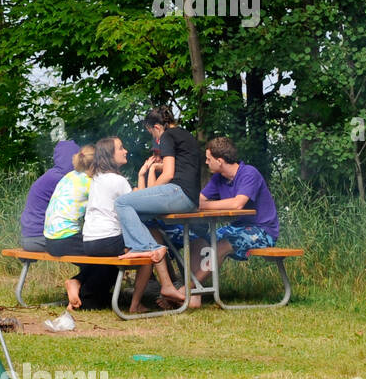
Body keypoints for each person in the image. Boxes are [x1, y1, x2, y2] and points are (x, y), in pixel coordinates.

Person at [112, 106, 197, 306]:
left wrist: (143, 194)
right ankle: (166, 281)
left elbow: (168, 174)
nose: (155, 139)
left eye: (152, 133)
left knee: (123, 202)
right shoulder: (186, 135)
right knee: (139, 217)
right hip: (190, 197)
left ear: (157, 127)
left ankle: (146, 249)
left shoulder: (167, 136)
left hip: (178, 192)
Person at [181, 136, 281, 307]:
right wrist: (200, 203)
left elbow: (237, 204)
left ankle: (186, 290)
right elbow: (197, 201)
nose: (206, 162)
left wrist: (206, 205)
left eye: (208, 159)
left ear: (219, 161)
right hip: (237, 228)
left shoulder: (249, 173)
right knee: (199, 241)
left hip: (263, 232)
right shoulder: (218, 178)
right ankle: (196, 295)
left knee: (223, 245)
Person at [77, 137, 156, 313]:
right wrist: (143, 175)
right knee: (149, 252)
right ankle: (136, 305)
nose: (125, 151)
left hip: (89, 241)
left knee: (141, 247)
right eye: (120, 148)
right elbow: (140, 205)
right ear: (109, 156)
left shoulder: (97, 178)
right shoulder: (117, 180)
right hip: (108, 240)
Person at [42, 145, 94, 304]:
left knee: (96, 253)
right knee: (104, 252)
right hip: (66, 239)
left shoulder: (69, 176)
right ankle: (79, 285)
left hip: (50, 240)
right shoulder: (90, 182)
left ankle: (80, 286)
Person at [19, 139, 80, 252]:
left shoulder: (52, 175)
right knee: (92, 246)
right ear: (72, 158)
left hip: (29, 237)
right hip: (42, 237)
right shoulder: (63, 179)